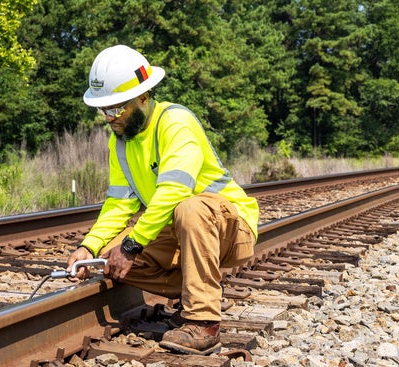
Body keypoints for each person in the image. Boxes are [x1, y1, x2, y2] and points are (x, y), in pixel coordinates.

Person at [65, 45, 260, 355]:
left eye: (117, 108)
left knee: (189, 208)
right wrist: (87, 247)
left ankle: (204, 323)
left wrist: (131, 246)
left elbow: (175, 191)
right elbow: (119, 204)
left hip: (229, 227)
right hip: (183, 232)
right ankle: (197, 288)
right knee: (106, 256)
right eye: (104, 110)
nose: (110, 118)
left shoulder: (176, 122)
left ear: (143, 97)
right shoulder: (121, 143)